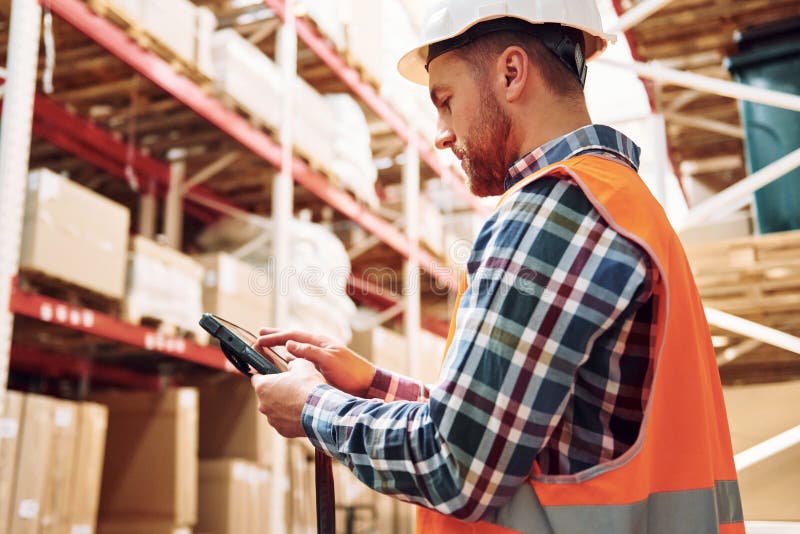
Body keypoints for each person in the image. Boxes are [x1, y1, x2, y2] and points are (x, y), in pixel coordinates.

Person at [250, 1, 744, 532]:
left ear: (511, 73)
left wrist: (313, 408)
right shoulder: (616, 201)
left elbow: (454, 464)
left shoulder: (552, 210)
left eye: (446, 100)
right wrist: (371, 385)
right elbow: (530, 436)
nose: (441, 132)